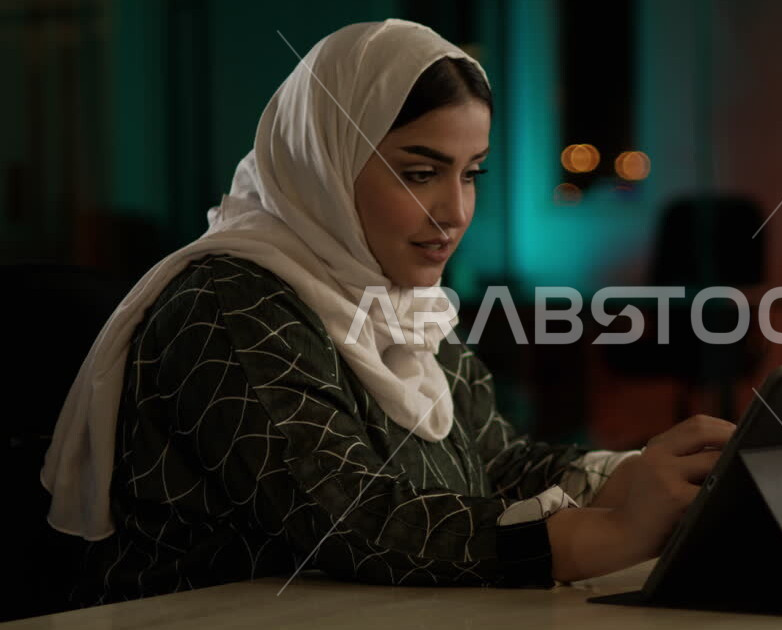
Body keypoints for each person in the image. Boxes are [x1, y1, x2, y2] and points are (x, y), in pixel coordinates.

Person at [41, 19, 734, 607]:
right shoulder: (227, 305)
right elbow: (355, 521)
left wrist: (627, 475)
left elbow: (498, 463)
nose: (455, 212)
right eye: (419, 172)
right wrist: (603, 534)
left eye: (471, 173)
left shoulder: (404, 305)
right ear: (327, 163)